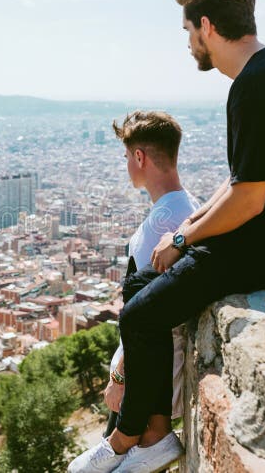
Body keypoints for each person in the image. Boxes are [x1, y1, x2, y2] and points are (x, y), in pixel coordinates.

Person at [69, 0, 265, 473]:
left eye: (189, 30)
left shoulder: (256, 87)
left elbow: (250, 200)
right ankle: (149, 433)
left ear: (207, 27)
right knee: (143, 284)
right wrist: (187, 227)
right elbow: (241, 181)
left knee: (140, 314)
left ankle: (131, 438)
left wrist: (185, 236)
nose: (190, 42)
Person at [101, 111, 199, 459]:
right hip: (155, 377)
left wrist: (120, 378)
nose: (127, 164)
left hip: (144, 384)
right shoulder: (189, 210)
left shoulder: (164, 224)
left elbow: (150, 312)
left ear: (140, 157)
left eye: (127, 156)